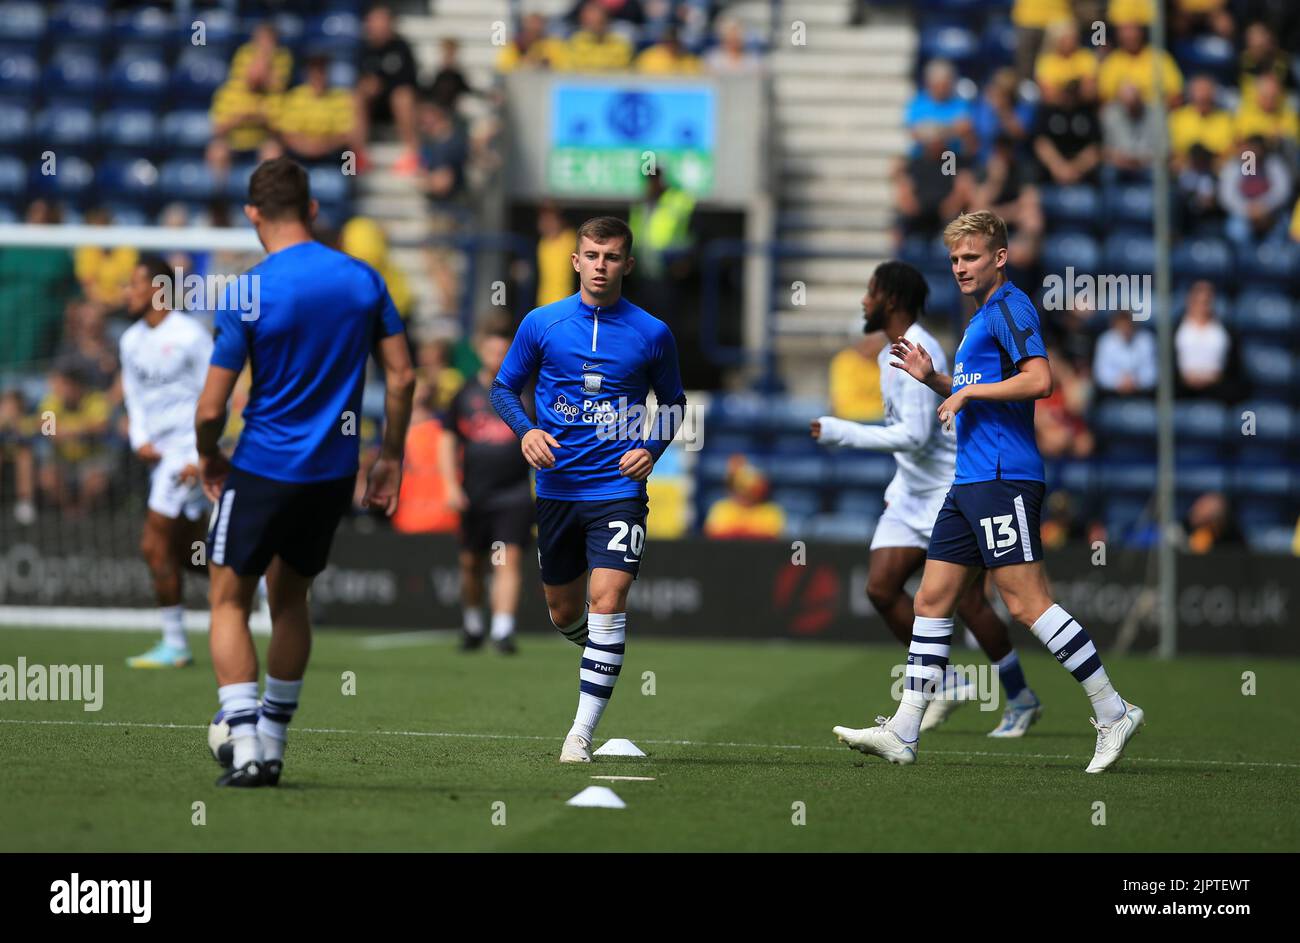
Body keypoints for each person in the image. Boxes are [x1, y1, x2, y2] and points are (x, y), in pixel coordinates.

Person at [831, 210, 1143, 773]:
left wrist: (969, 397)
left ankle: (1112, 708)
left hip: (1004, 476)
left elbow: (1040, 379)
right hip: (970, 481)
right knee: (930, 600)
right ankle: (904, 731)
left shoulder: (1011, 306)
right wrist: (936, 380)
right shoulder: (979, 320)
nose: (960, 267)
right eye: (954, 259)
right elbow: (980, 387)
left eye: (970, 256)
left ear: (999, 257)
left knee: (1026, 601)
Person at [195, 157, 414, 787]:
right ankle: (273, 740)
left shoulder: (249, 289)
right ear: (314, 209)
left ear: (252, 215)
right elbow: (403, 375)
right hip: (330, 475)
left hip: (262, 467)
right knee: (291, 599)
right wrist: (390, 456)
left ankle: (242, 742)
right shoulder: (363, 280)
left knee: (228, 597)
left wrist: (210, 453)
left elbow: (212, 406)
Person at [812, 261, 1042, 737]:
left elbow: (916, 435)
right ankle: (949, 681)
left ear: (891, 300)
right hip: (910, 494)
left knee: (971, 604)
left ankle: (1020, 697)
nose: (863, 301)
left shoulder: (922, 348)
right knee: (881, 588)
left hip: (947, 490)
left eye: (870, 292)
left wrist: (841, 432)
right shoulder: (885, 355)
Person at [490, 216, 687, 763]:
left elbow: (673, 405)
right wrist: (526, 430)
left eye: (612, 257)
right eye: (593, 256)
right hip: (555, 489)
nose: (602, 266)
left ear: (628, 263)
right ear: (576, 260)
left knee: (610, 598)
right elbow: (504, 387)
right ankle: (604, 647)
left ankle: (579, 734)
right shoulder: (541, 323)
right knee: (561, 609)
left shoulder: (652, 333)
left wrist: (651, 447)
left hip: (617, 491)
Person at [120, 255, 214, 669]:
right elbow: (134, 398)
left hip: (185, 457)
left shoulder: (191, 335)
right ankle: (261, 581)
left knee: (153, 544)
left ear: (158, 289)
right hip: (158, 459)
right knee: (188, 551)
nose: (127, 292)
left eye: (134, 284)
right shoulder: (129, 340)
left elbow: (216, 396)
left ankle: (175, 643)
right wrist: (139, 438)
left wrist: (201, 455)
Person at [441, 324, 535, 654]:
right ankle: (472, 624)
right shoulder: (464, 394)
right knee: (471, 564)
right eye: (492, 350)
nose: (497, 356)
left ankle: (503, 630)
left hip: (514, 494)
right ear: (480, 351)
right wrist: (451, 485)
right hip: (474, 494)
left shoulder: (526, 393)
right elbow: (448, 438)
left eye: (503, 350)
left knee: (508, 560)